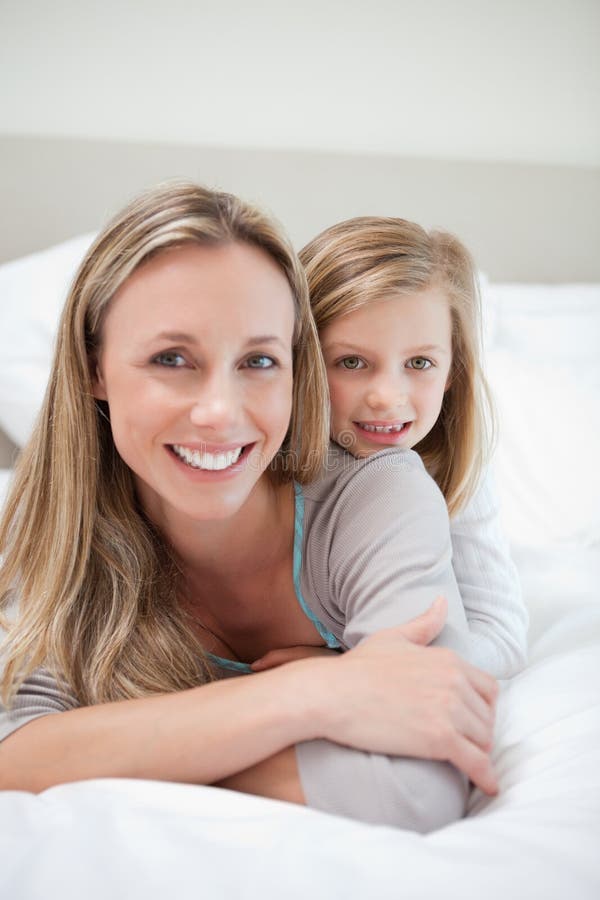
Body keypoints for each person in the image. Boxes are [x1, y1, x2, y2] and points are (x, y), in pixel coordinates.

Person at [0, 182, 498, 831]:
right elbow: (15, 757)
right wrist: (312, 696)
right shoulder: (62, 532)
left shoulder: (382, 497)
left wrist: (120, 744)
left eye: (260, 359)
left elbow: (412, 792)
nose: (220, 412)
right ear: (94, 367)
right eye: (171, 358)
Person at [288, 216, 528, 679]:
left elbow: (501, 636)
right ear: (303, 359)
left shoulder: (456, 469)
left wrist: (363, 663)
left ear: (452, 371)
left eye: (420, 362)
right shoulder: (269, 462)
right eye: (352, 362)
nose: (387, 396)